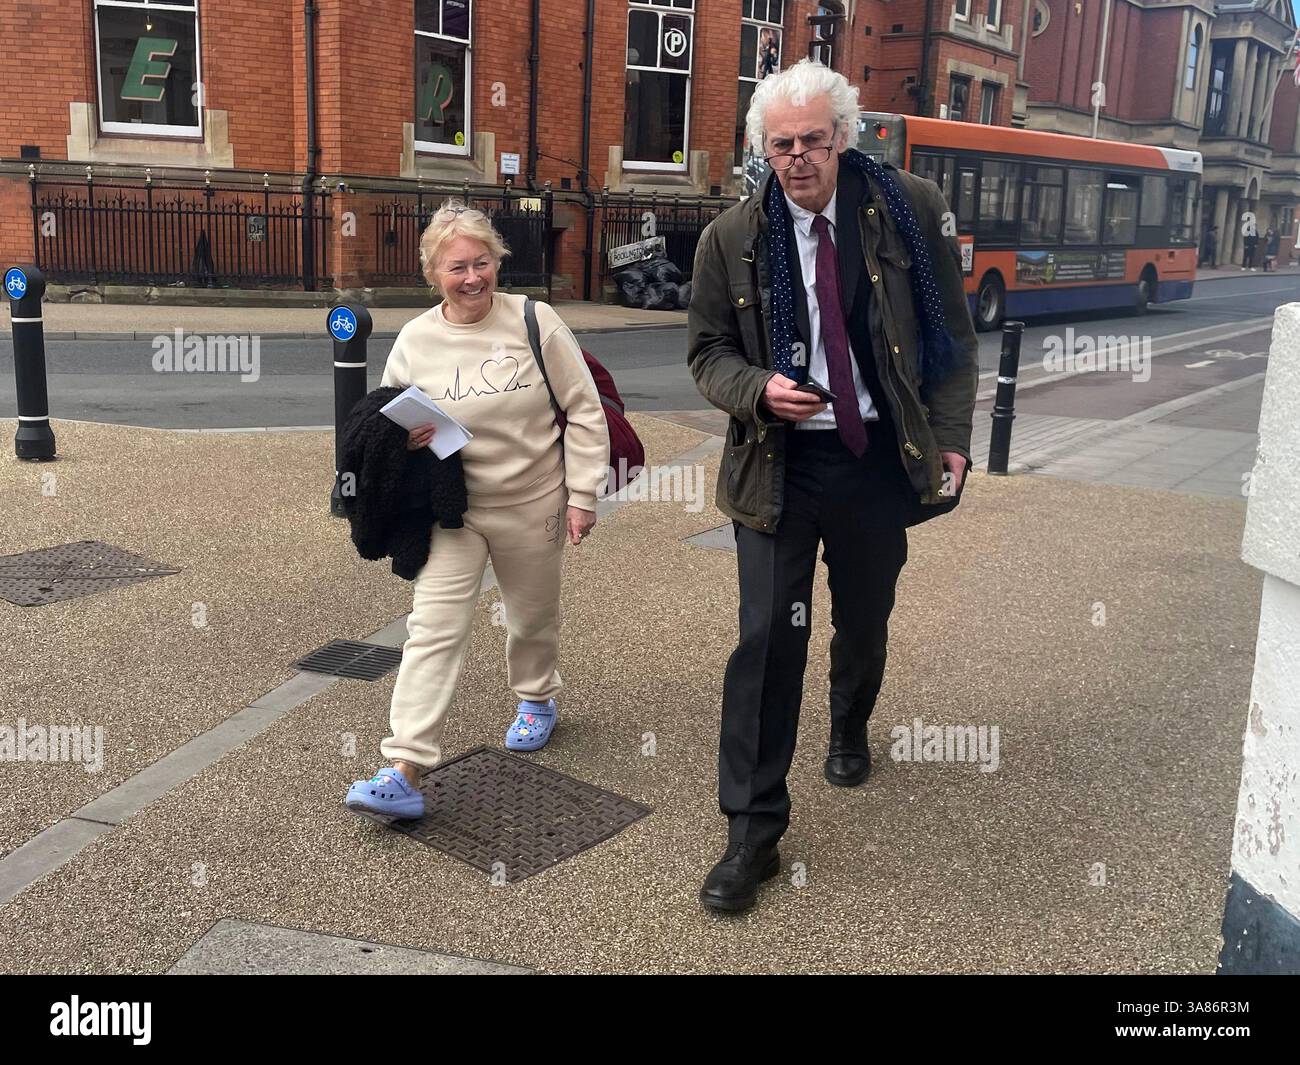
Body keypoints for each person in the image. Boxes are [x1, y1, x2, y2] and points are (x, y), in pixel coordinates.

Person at [687, 59, 978, 913]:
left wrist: (953, 440)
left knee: (864, 614)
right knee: (767, 643)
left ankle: (849, 719)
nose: (800, 157)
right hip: (778, 463)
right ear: (762, 150)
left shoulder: (908, 210)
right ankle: (751, 835)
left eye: (815, 139)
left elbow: (950, 339)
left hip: (876, 458)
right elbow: (707, 353)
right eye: (782, 144)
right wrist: (757, 391)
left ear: (845, 136)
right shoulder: (731, 238)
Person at [345, 200, 609, 820]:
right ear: (433, 274)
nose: (472, 277)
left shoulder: (535, 321)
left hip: (533, 499)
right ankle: (404, 765)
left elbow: (585, 408)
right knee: (432, 627)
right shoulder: (414, 339)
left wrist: (583, 495)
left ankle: (537, 697)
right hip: (452, 510)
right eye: (456, 267)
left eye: (482, 262)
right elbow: (382, 418)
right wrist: (399, 439)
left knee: (530, 616)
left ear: (498, 260)